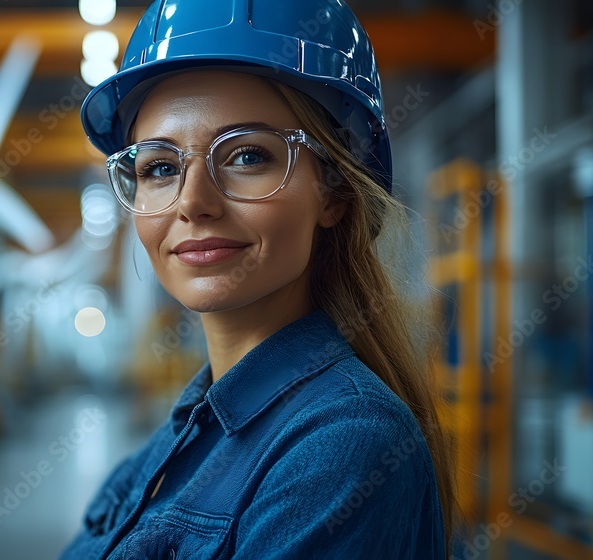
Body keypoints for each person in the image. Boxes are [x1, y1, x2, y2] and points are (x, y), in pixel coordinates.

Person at [59, 0, 457, 558]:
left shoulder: (343, 447)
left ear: (335, 193)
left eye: (247, 156)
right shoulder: (187, 434)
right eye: (160, 168)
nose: (193, 203)